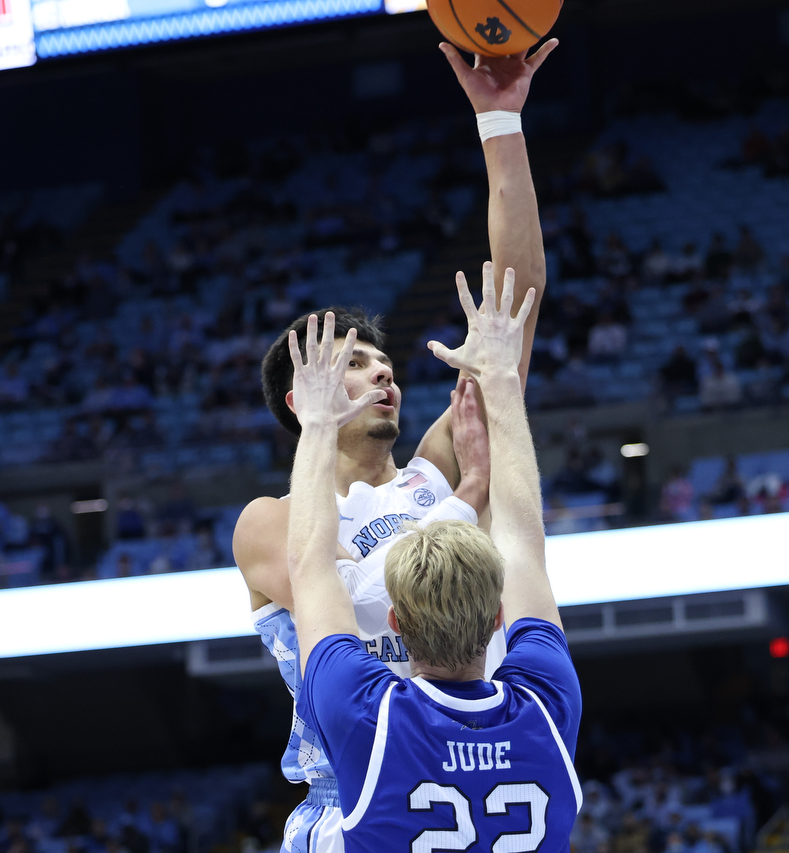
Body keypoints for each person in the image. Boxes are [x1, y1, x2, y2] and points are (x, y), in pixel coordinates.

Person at [233, 39, 557, 853]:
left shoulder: (429, 468)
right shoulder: (268, 522)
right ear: (299, 394)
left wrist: (499, 121)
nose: (384, 377)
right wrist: (468, 501)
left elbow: (513, 311)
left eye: (385, 365)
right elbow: (364, 596)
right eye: (353, 366)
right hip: (347, 798)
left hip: (470, 753)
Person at [286, 274, 580, 852]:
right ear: (499, 619)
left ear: (394, 625)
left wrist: (317, 423)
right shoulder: (546, 703)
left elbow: (310, 566)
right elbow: (522, 538)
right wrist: (500, 380)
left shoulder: (368, 713)